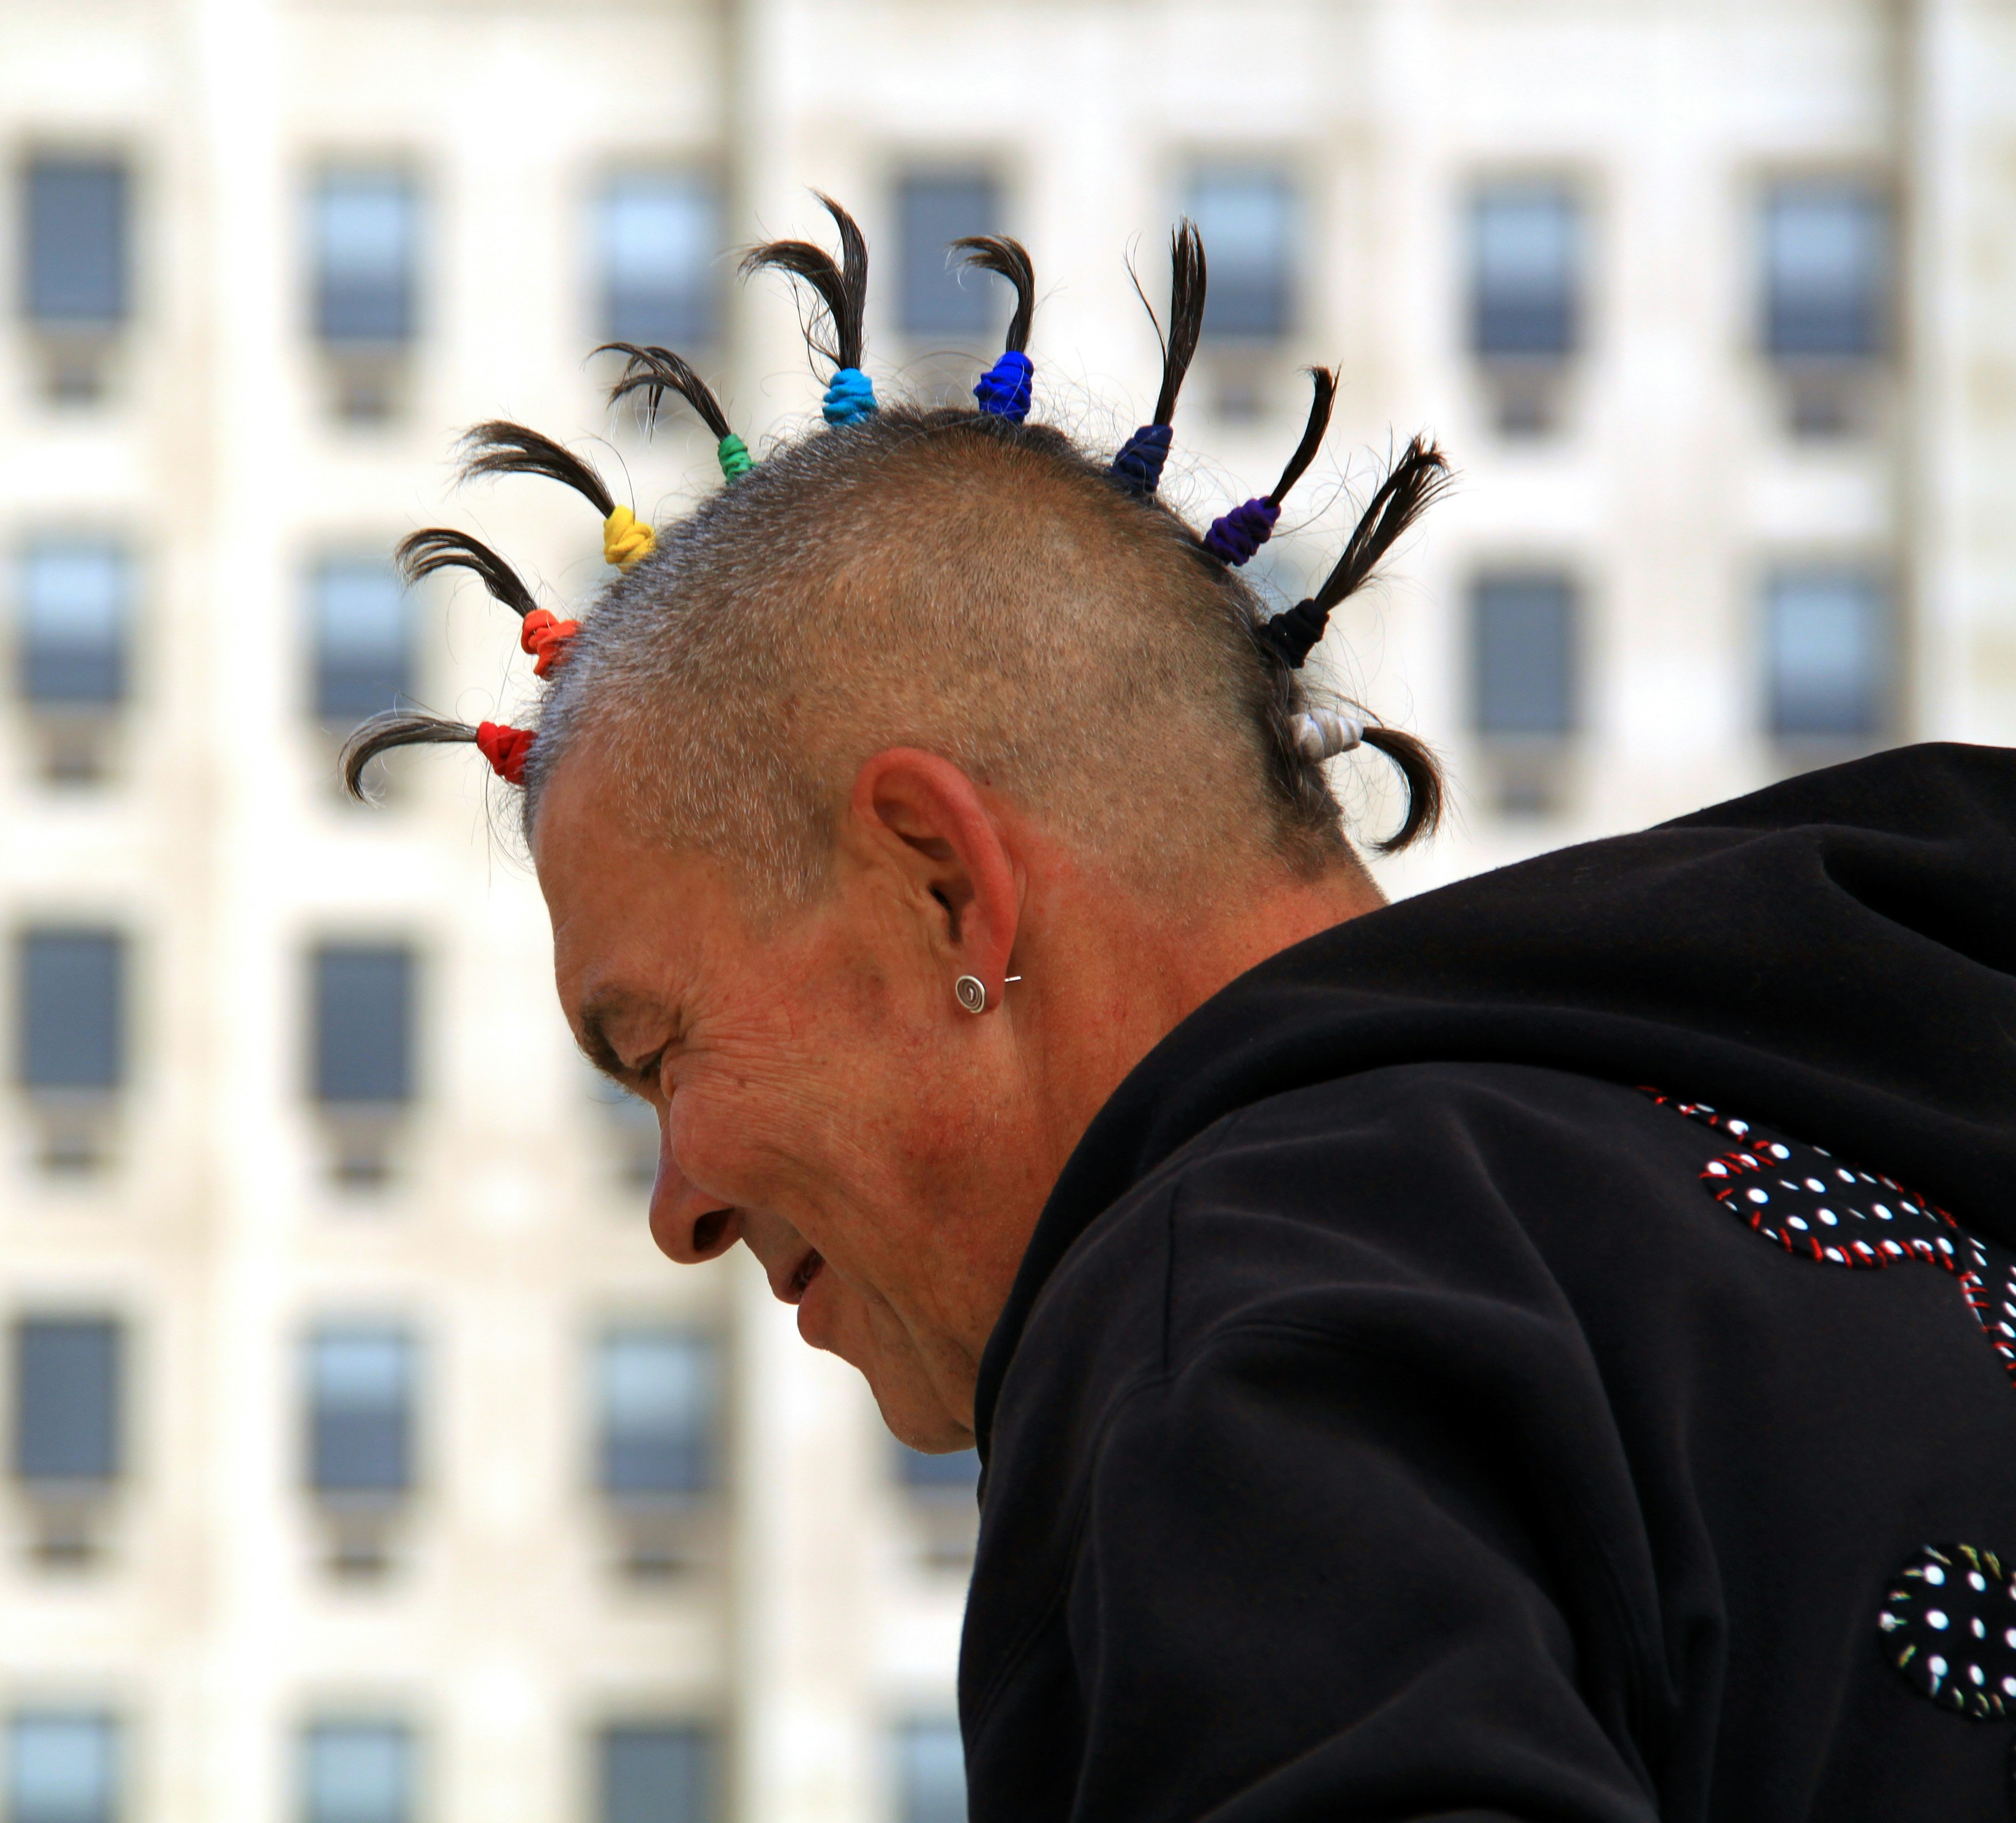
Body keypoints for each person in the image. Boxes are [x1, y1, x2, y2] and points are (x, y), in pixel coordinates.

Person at [343, 198, 2016, 1821]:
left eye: (655, 1049)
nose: (677, 1210)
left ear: (943, 885)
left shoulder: (1230, 1319)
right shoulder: (1843, 1127)